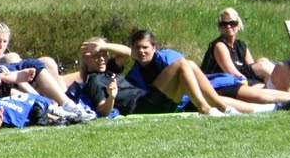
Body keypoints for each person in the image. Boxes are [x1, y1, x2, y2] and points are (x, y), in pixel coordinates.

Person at [85, 30, 260, 116]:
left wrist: (104, 46)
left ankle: (223, 108)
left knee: (189, 64)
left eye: (103, 56)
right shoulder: (93, 80)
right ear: (87, 59)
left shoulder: (110, 70)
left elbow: (126, 52)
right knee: (183, 64)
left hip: (157, 101)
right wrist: (112, 97)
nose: (101, 59)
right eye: (96, 56)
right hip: (141, 106)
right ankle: (207, 108)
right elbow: (103, 110)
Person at [200, 8, 290, 105]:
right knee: (261, 66)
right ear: (220, 28)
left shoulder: (241, 45)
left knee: (262, 63)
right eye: (224, 24)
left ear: (238, 25)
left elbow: (251, 67)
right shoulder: (219, 45)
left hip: (238, 80)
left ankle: (286, 94)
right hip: (222, 82)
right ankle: (287, 93)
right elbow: (231, 72)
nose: (228, 26)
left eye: (232, 23)